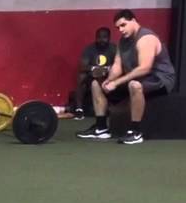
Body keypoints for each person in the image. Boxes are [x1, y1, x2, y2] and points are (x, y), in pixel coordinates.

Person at [77, 9, 177, 145]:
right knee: (96, 84)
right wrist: (109, 80)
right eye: (118, 27)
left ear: (134, 21)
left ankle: (135, 132)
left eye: (123, 25)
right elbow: (118, 65)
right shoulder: (123, 42)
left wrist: (117, 83)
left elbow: (144, 68)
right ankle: (101, 128)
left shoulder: (146, 38)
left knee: (134, 85)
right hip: (137, 78)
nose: (121, 30)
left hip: (160, 78)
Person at [70, 27, 116, 117]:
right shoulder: (89, 49)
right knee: (81, 76)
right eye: (99, 37)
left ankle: (113, 107)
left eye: (104, 37)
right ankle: (79, 109)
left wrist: (107, 70)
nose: (101, 40)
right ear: (96, 37)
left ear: (109, 38)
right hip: (93, 75)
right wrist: (94, 69)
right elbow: (83, 66)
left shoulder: (114, 48)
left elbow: (119, 65)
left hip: (109, 76)